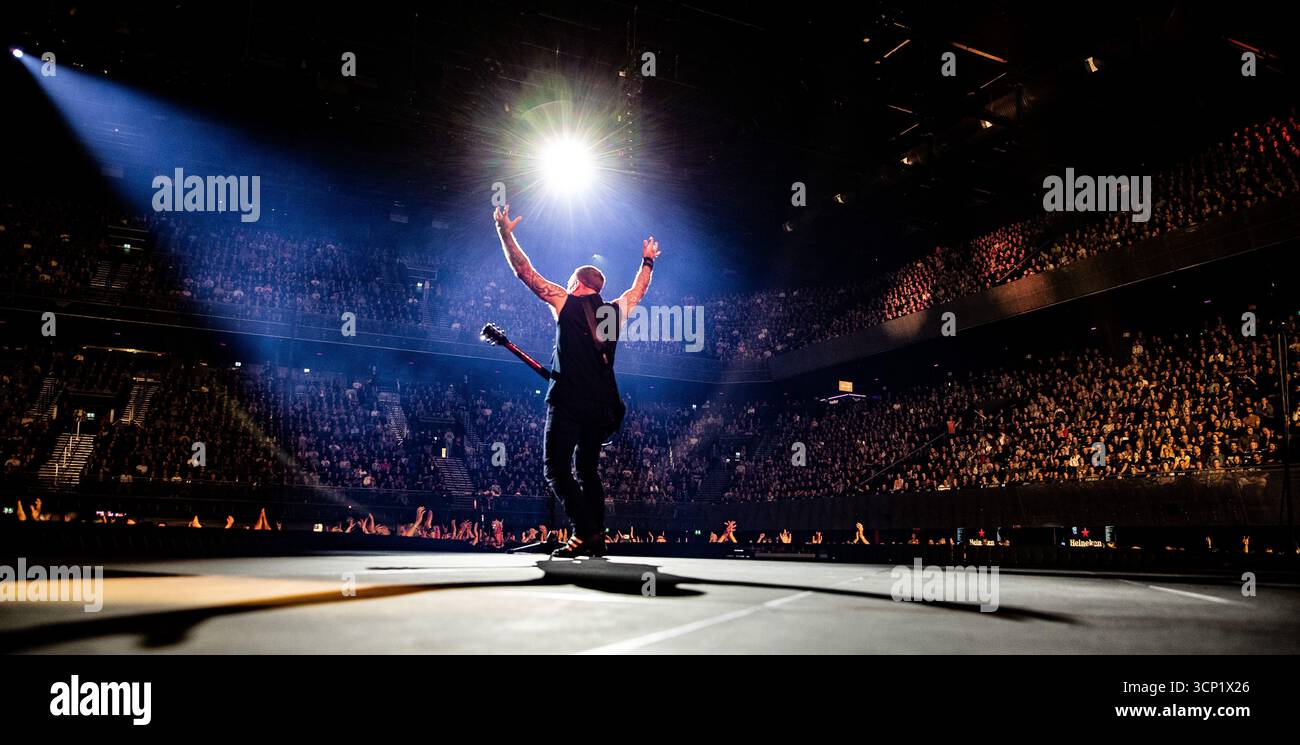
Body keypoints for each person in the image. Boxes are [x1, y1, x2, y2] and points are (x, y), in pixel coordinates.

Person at [494, 204, 660, 557]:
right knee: (586, 469)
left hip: (569, 402)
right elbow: (638, 291)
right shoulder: (615, 311)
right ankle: (596, 536)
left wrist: (505, 233)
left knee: (556, 469)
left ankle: (583, 532)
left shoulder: (565, 301)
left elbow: (525, 272)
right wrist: (647, 260)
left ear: (577, 284)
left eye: (570, 281)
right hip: (603, 407)